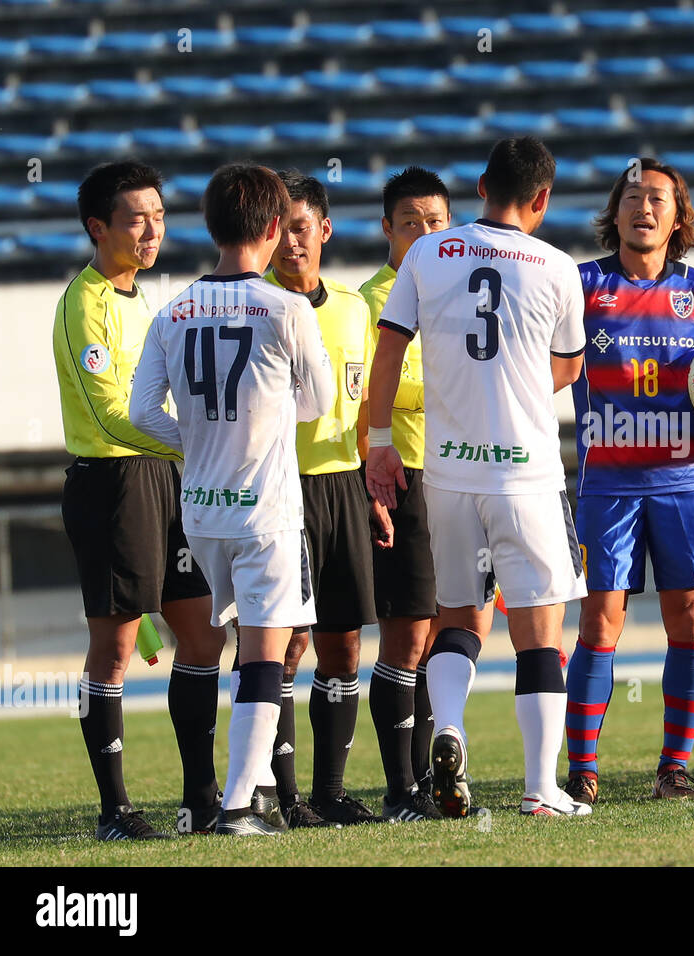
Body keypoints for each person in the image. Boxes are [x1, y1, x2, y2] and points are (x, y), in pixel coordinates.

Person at [366, 137, 591, 817]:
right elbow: (569, 369)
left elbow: (388, 350)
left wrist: (380, 443)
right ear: (543, 199)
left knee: (459, 619)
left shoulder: (429, 253)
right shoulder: (555, 265)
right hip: (525, 474)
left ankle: (452, 727)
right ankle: (540, 788)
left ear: (482, 186)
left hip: (448, 476)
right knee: (539, 632)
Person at [561, 158, 694, 804]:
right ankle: (583, 767)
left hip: (685, 484)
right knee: (601, 619)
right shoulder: (582, 288)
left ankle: (673, 767)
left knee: (690, 619)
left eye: (658, 198)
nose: (644, 208)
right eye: (632, 197)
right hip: (607, 485)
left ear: (678, 216)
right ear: (615, 211)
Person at [130, 162, 335, 835]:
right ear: (275, 228)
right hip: (266, 510)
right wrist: (265, 421)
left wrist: (193, 443)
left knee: (204, 649)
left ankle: (219, 797)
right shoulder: (287, 307)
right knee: (263, 655)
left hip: (202, 511)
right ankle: (239, 803)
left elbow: (140, 414)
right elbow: (320, 404)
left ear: (212, 226)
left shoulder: (173, 309)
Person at [54, 160, 227, 840]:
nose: (152, 228)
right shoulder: (85, 303)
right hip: (113, 483)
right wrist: (191, 444)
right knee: (116, 649)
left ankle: (200, 799)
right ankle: (115, 811)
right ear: (99, 228)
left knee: (204, 635)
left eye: (158, 214)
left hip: (164, 478)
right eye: (136, 218)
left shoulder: (145, 299)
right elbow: (105, 417)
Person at [264, 171, 387, 824]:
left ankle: (329, 792)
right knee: (284, 647)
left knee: (343, 647)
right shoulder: (249, 307)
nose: (291, 242)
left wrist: (372, 488)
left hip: (343, 486)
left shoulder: (352, 307)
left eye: (302, 228)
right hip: (277, 492)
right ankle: (280, 797)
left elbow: (365, 407)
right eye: (279, 229)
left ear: (325, 231)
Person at [360, 166, 451, 822]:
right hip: (404, 476)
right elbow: (376, 388)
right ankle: (400, 789)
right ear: (387, 229)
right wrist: (461, 383)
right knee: (407, 634)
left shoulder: (457, 292)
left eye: (436, 221)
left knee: (445, 631)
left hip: (461, 476)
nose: (424, 232)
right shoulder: (371, 301)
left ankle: (425, 779)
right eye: (411, 222)